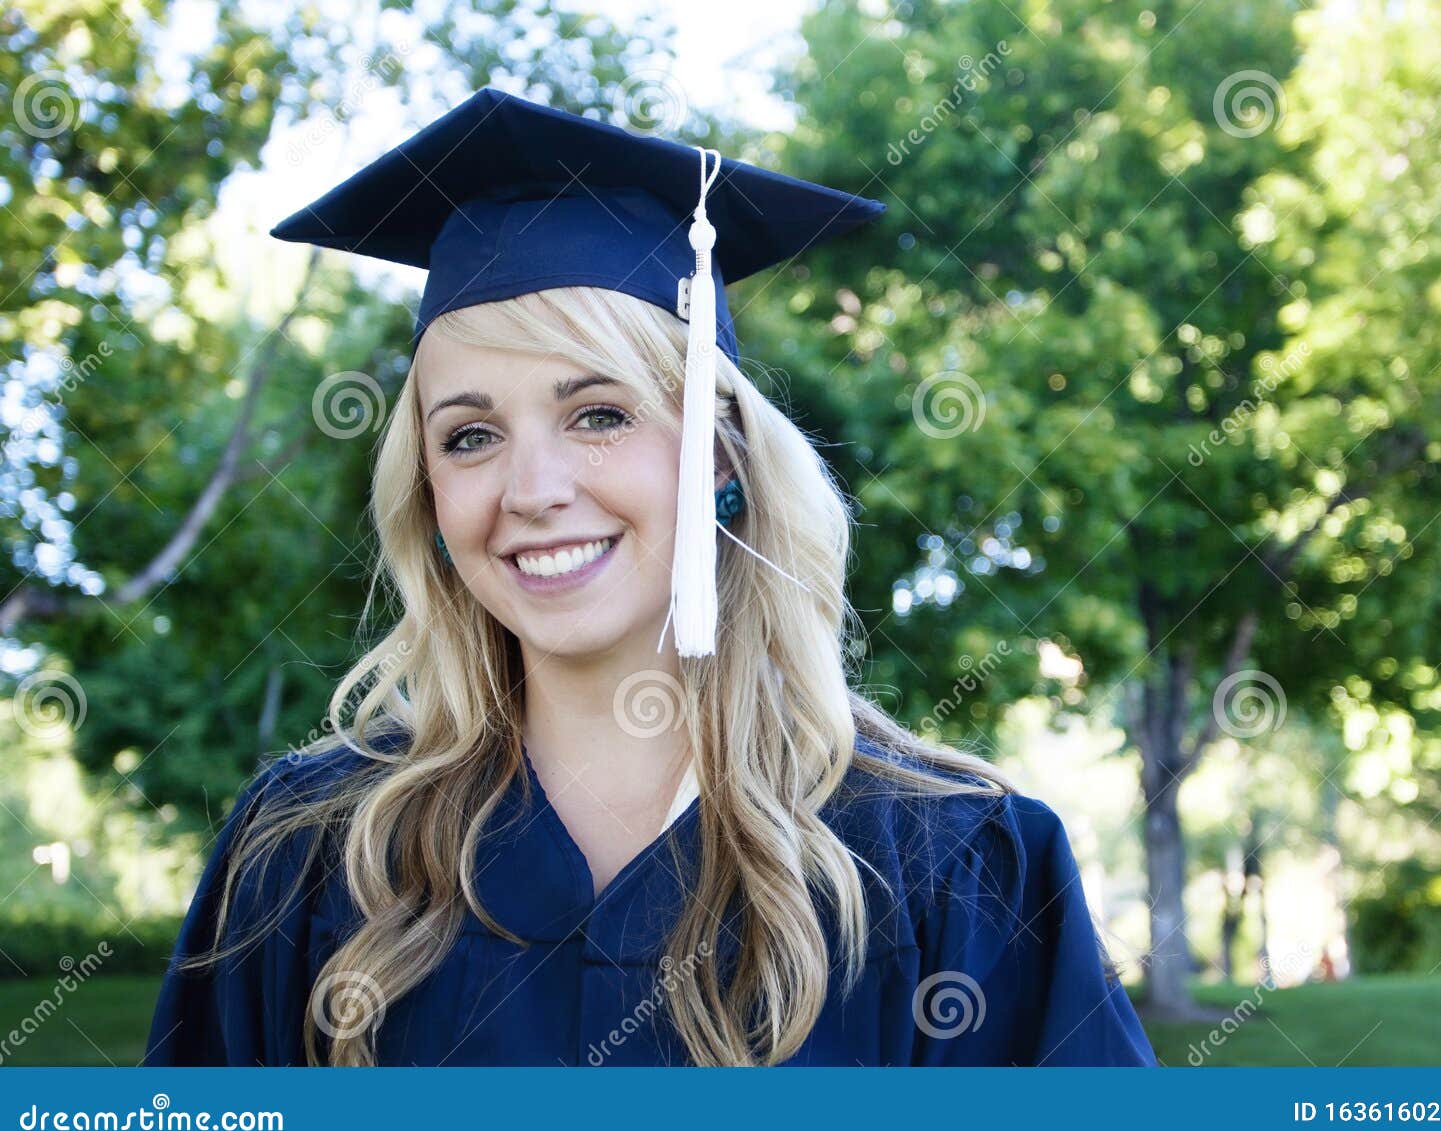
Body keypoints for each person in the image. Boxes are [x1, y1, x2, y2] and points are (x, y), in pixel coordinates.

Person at [141, 88, 1159, 1067]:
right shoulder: (311, 851)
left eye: (599, 414)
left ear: (719, 459)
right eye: (470, 435)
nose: (530, 489)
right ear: (429, 498)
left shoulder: (956, 866)